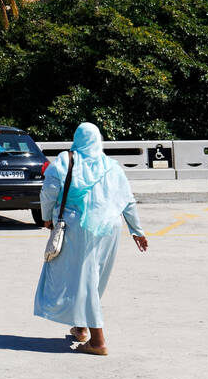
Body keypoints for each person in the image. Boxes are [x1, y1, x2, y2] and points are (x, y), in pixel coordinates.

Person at [34, 122, 149, 355]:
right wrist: (136, 231)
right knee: (93, 278)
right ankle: (81, 326)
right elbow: (127, 201)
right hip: (109, 229)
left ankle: (98, 341)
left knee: (84, 279)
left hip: (79, 228)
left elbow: (48, 193)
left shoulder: (65, 162)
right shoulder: (112, 167)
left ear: (77, 139)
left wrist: (47, 218)